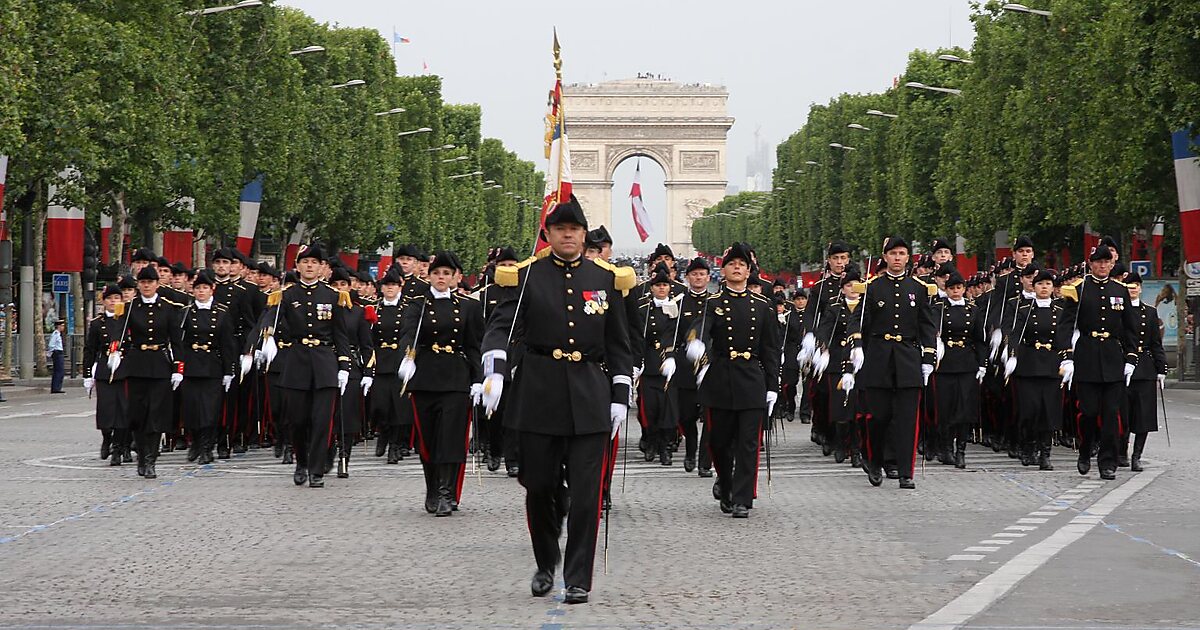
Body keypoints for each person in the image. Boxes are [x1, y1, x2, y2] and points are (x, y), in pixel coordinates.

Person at [480, 195, 634, 604]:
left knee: (586, 494)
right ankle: (546, 561)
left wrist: (620, 393)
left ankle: (579, 576)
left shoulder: (606, 278)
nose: (568, 235)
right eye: (560, 229)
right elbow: (500, 328)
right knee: (540, 487)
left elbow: (619, 344)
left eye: (575, 230)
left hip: (589, 394)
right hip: (539, 392)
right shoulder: (524, 275)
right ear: (547, 234)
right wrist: (494, 370)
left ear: (584, 235)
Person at [685, 242, 781, 518]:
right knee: (719, 442)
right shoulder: (713, 303)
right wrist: (696, 344)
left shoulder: (763, 306)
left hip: (751, 376)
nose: (737, 268)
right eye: (732, 264)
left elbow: (771, 349)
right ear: (723, 270)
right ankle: (725, 484)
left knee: (748, 442)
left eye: (742, 265)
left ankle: (742, 499)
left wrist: (773, 386)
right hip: (721, 377)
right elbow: (699, 329)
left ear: (749, 271)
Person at [398, 251, 482, 515]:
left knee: (451, 437)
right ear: (429, 276)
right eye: (436, 273)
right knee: (429, 437)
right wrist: (407, 357)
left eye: (447, 273)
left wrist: (479, 378)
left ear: (456, 276)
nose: (441, 278)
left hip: (456, 377)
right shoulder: (417, 304)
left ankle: (447, 493)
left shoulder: (468, 306)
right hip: (425, 376)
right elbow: (408, 333)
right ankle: (433, 487)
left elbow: (474, 345)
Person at [848, 236, 936, 490]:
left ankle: (906, 471)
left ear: (909, 258)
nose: (897, 258)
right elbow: (857, 321)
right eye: (893, 253)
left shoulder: (918, 288)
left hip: (908, 357)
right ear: (884, 257)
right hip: (879, 357)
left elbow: (926, 325)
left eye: (902, 253)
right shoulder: (872, 287)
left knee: (908, 418)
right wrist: (857, 345)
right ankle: (875, 461)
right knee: (879, 417)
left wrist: (928, 357)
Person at [268, 243, 352, 489]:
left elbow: (341, 334)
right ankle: (301, 462)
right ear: (297, 266)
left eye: (314, 262)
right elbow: (270, 319)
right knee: (298, 420)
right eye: (305, 262)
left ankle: (316, 470)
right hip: (296, 362)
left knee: (321, 420)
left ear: (322, 268)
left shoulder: (333, 296)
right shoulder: (286, 295)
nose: (309, 266)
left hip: (325, 363)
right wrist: (265, 339)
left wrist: (344, 364)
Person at [1057, 245, 1139, 480]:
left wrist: (1131, 358)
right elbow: (1066, 325)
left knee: (1112, 414)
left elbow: (1130, 327)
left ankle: (1108, 462)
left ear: (1112, 264)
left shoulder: (1120, 290)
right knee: (1089, 412)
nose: (1102, 266)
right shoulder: (1078, 290)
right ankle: (1084, 450)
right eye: (1098, 262)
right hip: (1087, 356)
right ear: (1090, 264)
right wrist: (1067, 356)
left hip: (1113, 356)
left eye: (1106, 262)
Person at [120, 265, 185, 479]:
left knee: (156, 415)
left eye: (150, 282)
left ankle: (151, 459)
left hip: (159, 365)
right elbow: (118, 335)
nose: (146, 286)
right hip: (137, 364)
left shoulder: (167, 308)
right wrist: (115, 355)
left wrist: (178, 368)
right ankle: (140, 455)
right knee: (138, 415)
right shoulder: (129, 308)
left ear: (157, 285)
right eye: (143, 282)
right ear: (138, 285)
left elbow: (176, 341)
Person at [177, 270, 238, 465]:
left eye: (205, 288)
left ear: (212, 289)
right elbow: (179, 343)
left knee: (210, 409)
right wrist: (177, 368)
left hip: (212, 366)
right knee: (191, 408)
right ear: (193, 291)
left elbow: (228, 343)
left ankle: (206, 447)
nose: (201, 292)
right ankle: (195, 441)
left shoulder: (222, 313)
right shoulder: (185, 312)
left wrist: (229, 370)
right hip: (191, 365)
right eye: (198, 288)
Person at [1009, 269, 1062, 470]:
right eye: (1040, 284)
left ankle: (1045, 453)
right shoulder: (1024, 309)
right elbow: (1015, 334)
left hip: (1051, 366)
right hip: (1029, 364)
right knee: (1029, 410)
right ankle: (1028, 447)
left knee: (1049, 411)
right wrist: (1012, 355)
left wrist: (1068, 360)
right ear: (1034, 287)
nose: (1044, 287)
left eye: (1048, 284)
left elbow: (1064, 338)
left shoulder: (1060, 311)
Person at [1121, 272, 1167, 472]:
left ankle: (1137, 455)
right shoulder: (1118, 310)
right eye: (1128, 285)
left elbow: (1156, 343)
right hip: (1123, 366)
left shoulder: (1149, 312)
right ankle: (1121, 451)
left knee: (1143, 415)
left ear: (1140, 288)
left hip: (1145, 368)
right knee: (1123, 414)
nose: (1132, 289)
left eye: (1135, 285)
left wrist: (1161, 368)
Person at [675, 257, 715, 475]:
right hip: (686, 367)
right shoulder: (679, 304)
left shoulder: (716, 303)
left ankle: (705, 461)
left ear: (708, 278)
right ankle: (691, 450)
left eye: (702, 274)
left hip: (711, 366)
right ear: (687, 277)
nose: (698, 278)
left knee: (710, 415)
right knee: (686, 416)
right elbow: (672, 334)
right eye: (694, 274)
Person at [82, 284, 128, 466]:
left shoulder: (127, 321)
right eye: (110, 299)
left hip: (124, 370)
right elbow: (90, 350)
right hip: (104, 369)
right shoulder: (96, 323)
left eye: (117, 298)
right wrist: (87, 374)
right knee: (106, 410)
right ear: (104, 301)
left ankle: (117, 448)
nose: (113, 302)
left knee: (123, 411)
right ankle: (107, 437)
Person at [48, 320, 66, 393]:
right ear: (59, 326)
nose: (63, 327)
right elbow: (51, 345)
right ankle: (56, 388)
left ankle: (57, 387)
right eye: (62, 326)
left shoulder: (58, 334)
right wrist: (53, 351)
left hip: (59, 352)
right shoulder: (55, 334)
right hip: (57, 353)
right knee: (59, 371)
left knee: (59, 371)